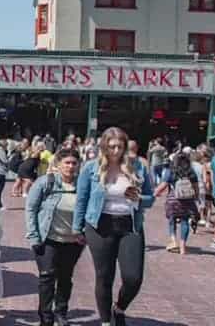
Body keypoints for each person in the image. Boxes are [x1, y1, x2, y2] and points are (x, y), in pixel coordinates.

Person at [73, 127, 154, 326]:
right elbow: (81, 199)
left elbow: (151, 198)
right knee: (104, 276)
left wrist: (139, 198)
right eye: (111, 147)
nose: (115, 151)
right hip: (100, 225)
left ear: (126, 147)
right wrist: (77, 228)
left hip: (130, 225)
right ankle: (106, 321)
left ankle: (119, 307)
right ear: (104, 147)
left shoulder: (138, 166)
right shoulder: (91, 167)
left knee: (133, 277)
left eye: (119, 146)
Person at [25, 148, 84, 326]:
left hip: (73, 241)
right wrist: (34, 236)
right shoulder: (45, 182)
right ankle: (46, 317)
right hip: (47, 238)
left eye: (74, 163)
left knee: (66, 277)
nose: (70, 166)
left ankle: (61, 312)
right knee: (47, 276)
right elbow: (31, 209)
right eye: (67, 162)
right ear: (58, 165)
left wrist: (85, 233)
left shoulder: (83, 185)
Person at [153, 151, 199, 255]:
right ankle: (183, 246)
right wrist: (196, 197)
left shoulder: (171, 171)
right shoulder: (191, 172)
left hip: (173, 200)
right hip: (187, 200)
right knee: (185, 221)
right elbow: (196, 187)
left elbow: (163, 185)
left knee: (172, 220)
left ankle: (173, 241)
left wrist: (155, 193)